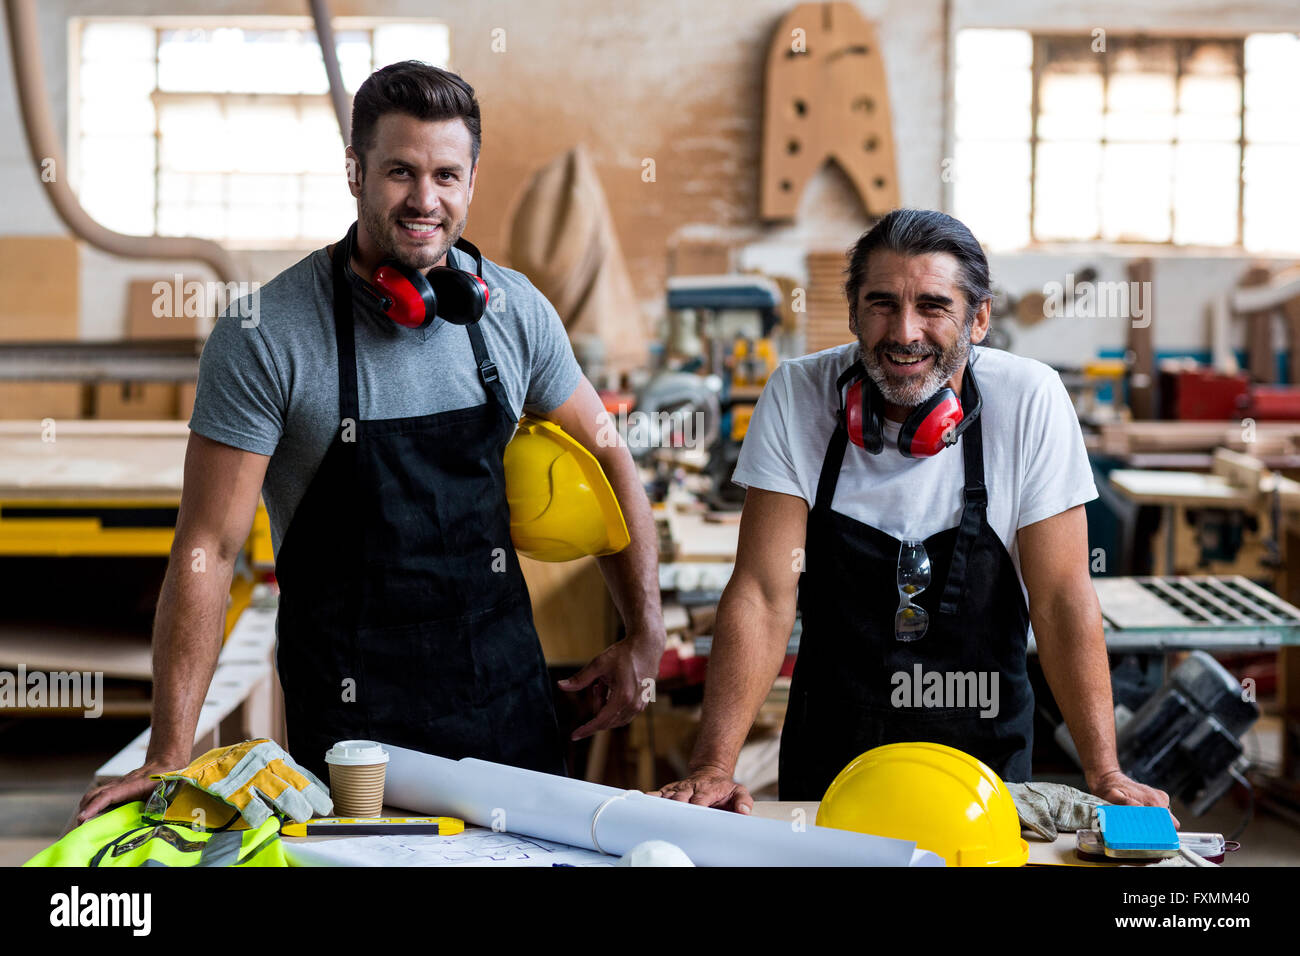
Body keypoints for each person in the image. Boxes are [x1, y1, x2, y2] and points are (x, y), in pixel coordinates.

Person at [78, 62, 664, 823]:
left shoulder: (515, 313)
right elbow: (208, 548)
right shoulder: (269, 335)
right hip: (354, 735)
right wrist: (169, 750)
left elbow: (610, 451)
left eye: (447, 175)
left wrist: (643, 632)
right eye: (400, 172)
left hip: (507, 706)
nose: (426, 200)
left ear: (472, 182)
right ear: (354, 172)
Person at [653, 209, 1172, 819]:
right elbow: (764, 595)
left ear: (979, 318)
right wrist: (714, 767)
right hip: (832, 762)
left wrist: (1104, 771)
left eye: (933, 306)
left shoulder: (1029, 401)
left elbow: (1060, 596)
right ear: (852, 312)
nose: (904, 332)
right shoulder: (797, 396)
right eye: (881, 304)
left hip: (984, 768)